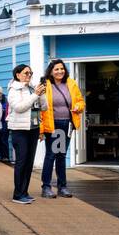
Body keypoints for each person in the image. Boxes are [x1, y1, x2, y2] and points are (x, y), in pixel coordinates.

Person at [39, 58, 85, 198]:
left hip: (67, 124)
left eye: (62, 68)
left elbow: (80, 101)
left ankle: (62, 187)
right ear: (51, 72)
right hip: (53, 125)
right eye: (56, 69)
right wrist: (41, 130)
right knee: (51, 155)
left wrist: (78, 107)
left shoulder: (71, 83)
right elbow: (40, 108)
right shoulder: (45, 85)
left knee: (61, 155)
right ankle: (46, 187)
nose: (60, 71)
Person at [7, 64, 44, 204]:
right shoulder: (13, 89)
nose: (29, 75)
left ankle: (24, 192)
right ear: (17, 74)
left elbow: (44, 107)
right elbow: (19, 107)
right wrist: (35, 95)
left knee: (29, 162)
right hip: (19, 130)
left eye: (31, 73)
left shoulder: (31, 88)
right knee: (21, 162)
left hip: (33, 128)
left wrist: (41, 94)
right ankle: (17, 194)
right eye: (26, 73)